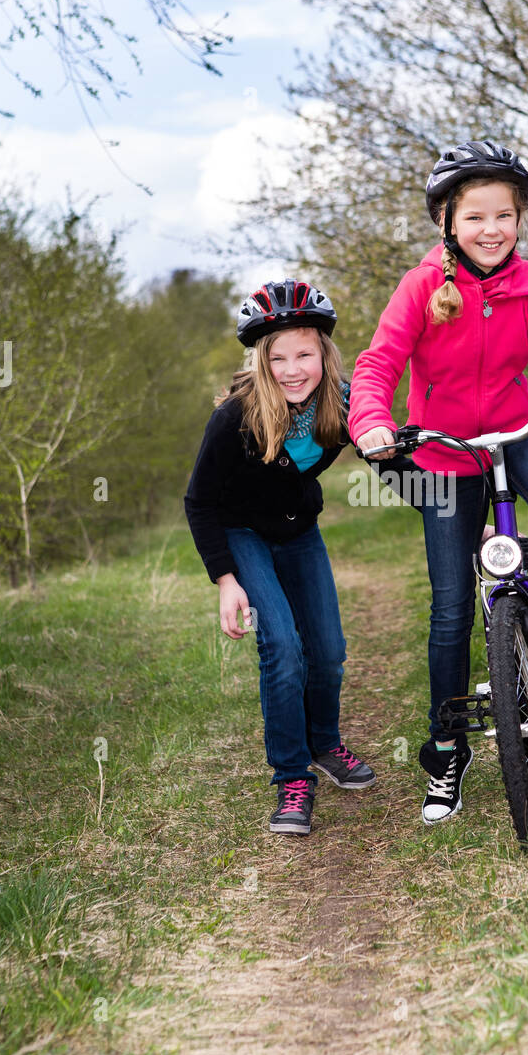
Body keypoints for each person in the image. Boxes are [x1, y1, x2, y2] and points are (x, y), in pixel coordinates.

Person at [349, 140, 528, 827]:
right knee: (449, 611)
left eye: (505, 214)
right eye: (476, 217)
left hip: (515, 429)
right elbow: (379, 361)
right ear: (447, 220)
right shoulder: (420, 288)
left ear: (521, 219)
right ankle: (447, 750)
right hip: (443, 451)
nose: (492, 229)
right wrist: (372, 420)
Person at [184, 278, 375, 837]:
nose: (294, 369)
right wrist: (225, 579)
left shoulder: (340, 404)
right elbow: (199, 501)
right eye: (279, 357)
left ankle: (324, 743)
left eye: (305, 354)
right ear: (261, 361)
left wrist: (453, 510)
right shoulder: (236, 418)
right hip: (242, 533)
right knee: (284, 650)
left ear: (324, 354)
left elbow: (387, 456)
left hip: (299, 533)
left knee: (329, 650)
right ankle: (292, 776)